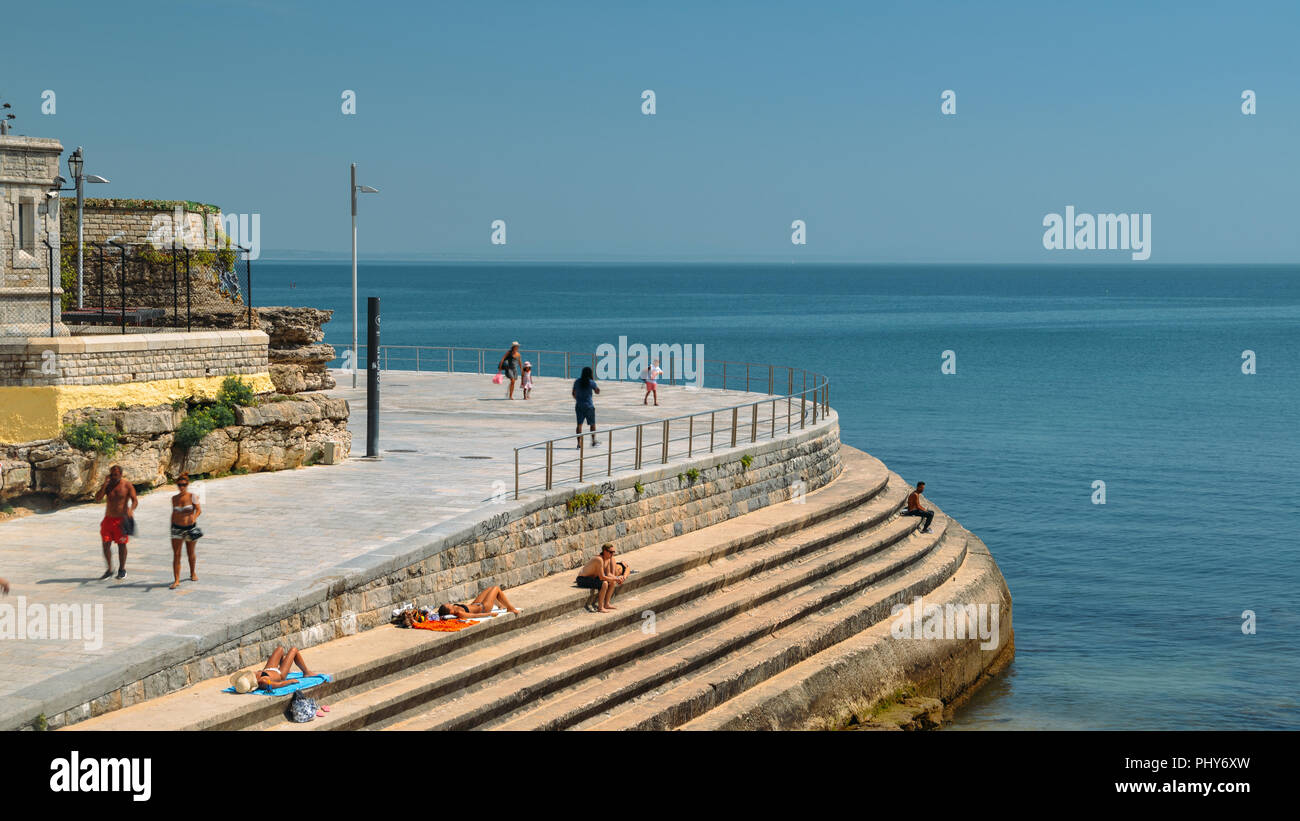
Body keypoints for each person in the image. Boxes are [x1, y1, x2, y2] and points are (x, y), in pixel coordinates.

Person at [93, 465, 138, 580]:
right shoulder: (108, 485)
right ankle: (109, 569)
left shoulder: (127, 485)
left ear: (120, 474)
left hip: (121, 520)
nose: (113, 477)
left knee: (121, 545)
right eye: (112, 475)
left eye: (115, 475)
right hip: (108, 519)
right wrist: (104, 485)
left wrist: (131, 510)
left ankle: (122, 569)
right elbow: (98, 498)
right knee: (105, 544)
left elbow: (135, 500)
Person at [169, 473, 203, 590]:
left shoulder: (192, 496)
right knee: (176, 554)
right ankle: (176, 580)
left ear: (187, 485)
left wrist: (195, 517)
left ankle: (192, 572)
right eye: (179, 485)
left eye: (183, 485)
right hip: (176, 528)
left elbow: (199, 510)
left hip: (190, 527)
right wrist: (171, 528)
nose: (181, 487)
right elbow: (173, 513)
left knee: (190, 552)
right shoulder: (174, 498)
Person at [576, 543, 627, 613]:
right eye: (611, 552)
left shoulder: (608, 559)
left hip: (592, 578)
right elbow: (602, 577)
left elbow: (608, 573)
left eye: (613, 552)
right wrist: (616, 578)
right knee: (604, 583)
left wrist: (617, 578)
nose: (612, 554)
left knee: (613, 582)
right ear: (605, 551)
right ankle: (600, 608)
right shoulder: (599, 559)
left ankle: (606, 604)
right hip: (582, 579)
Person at [437, 584, 522, 619]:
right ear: (450, 611)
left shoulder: (455, 608)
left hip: (475, 604)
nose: (449, 604)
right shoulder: (459, 613)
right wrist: (490, 614)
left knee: (489, 589)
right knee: (496, 588)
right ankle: (510, 608)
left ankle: (500, 605)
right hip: (484, 607)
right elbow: (474, 615)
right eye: (448, 606)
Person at [572, 365, 600, 448]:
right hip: (589, 406)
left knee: (579, 424)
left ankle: (579, 443)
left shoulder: (577, 381)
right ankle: (593, 441)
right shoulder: (591, 382)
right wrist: (597, 389)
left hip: (579, 405)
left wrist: (577, 399)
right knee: (592, 424)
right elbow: (597, 392)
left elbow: (573, 393)